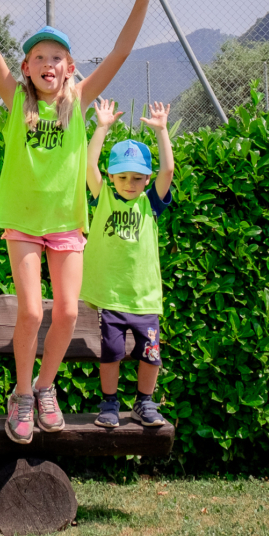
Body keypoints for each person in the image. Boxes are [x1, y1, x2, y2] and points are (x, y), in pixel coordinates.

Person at [0, 0, 153, 444]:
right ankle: (23, 397)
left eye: (57, 58)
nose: (48, 64)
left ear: (69, 68)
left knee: (70, 313)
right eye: (39, 58)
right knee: (32, 311)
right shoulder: (16, 102)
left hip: (66, 225)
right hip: (24, 223)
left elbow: (118, 54)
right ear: (27, 68)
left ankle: (44, 389)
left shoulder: (79, 104)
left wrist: (142, 0)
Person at [80, 99, 174, 429]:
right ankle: (109, 404)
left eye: (137, 177)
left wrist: (162, 131)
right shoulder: (103, 195)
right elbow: (88, 166)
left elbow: (168, 171)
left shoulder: (151, 204)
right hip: (111, 297)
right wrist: (102, 127)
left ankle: (144, 403)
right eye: (123, 176)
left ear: (147, 180)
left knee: (151, 355)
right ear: (111, 176)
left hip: (144, 299)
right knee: (112, 353)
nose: (129, 183)